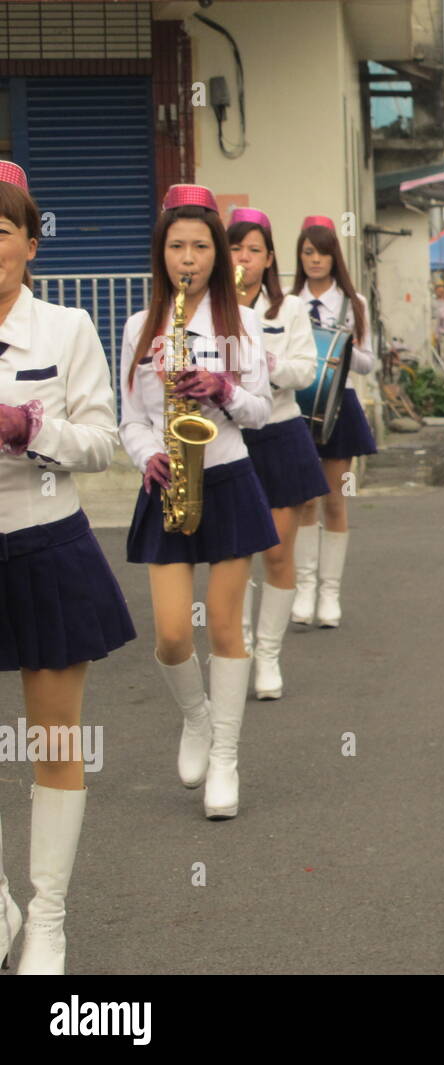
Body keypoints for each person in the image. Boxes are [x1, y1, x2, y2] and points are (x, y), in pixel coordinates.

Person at [0, 161, 135, 974]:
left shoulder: (67, 329)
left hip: (45, 545)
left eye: (1, 230)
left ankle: (47, 918)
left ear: (28, 243)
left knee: (54, 743)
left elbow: (103, 438)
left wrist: (31, 430)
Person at [120, 183, 276, 822]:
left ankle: (226, 757)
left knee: (225, 622)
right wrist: (145, 455)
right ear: (161, 253)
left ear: (219, 253)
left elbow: (262, 413)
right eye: (177, 246)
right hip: (167, 484)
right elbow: (127, 419)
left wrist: (224, 388)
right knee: (173, 634)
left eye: (200, 246)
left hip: (229, 477)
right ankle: (195, 717)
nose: (188, 258)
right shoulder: (140, 326)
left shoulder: (239, 325)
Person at [228, 207, 329, 698]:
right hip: (228, 439)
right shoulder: (209, 309)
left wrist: (262, 363)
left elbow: (306, 371)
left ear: (269, 257)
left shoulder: (286, 309)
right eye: (235, 248)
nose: (243, 258)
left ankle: (268, 656)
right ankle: (240, 649)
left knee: (274, 550)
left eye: (253, 249)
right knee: (233, 554)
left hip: (281, 432)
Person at [290, 215, 377, 628]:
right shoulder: (287, 302)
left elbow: (368, 361)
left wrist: (346, 351)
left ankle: (330, 594)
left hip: (338, 409)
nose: (315, 259)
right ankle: (304, 589)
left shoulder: (352, 302)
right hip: (296, 408)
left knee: (334, 500)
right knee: (304, 500)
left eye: (323, 252)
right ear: (299, 256)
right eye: (308, 252)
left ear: (334, 256)